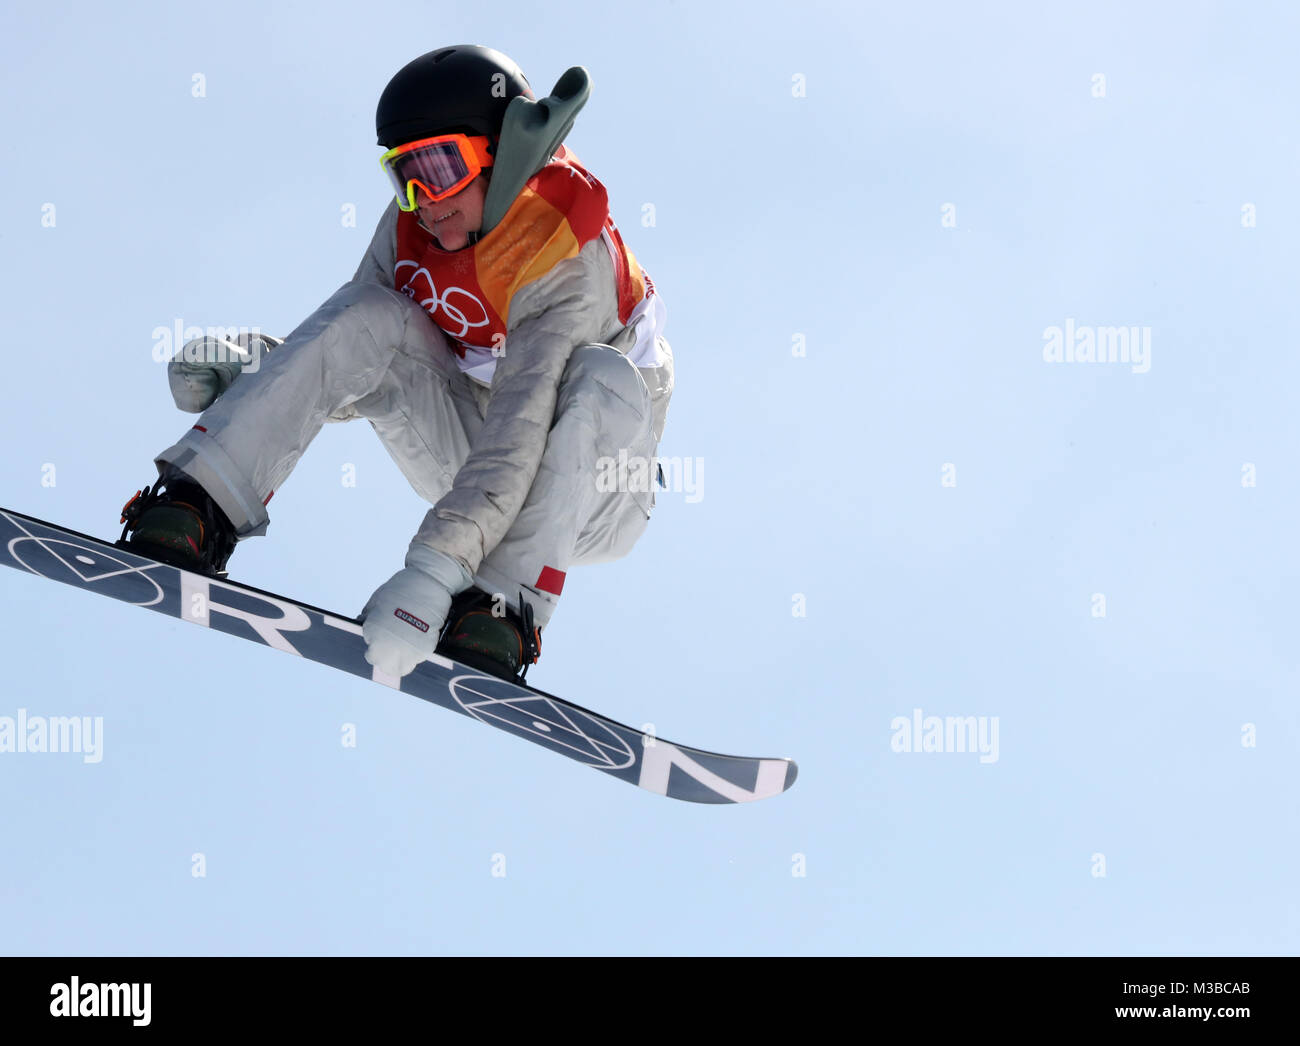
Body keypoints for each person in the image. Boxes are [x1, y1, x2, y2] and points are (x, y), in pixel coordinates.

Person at [116, 44, 673, 683]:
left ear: (502, 150)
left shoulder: (562, 254)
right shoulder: (419, 223)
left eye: (438, 166)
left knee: (599, 377)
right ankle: (197, 501)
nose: (423, 198)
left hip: (593, 489)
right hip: (475, 453)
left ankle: (501, 607)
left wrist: (433, 571)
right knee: (372, 307)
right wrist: (257, 370)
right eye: (402, 173)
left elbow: (524, 426)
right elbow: (359, 352)